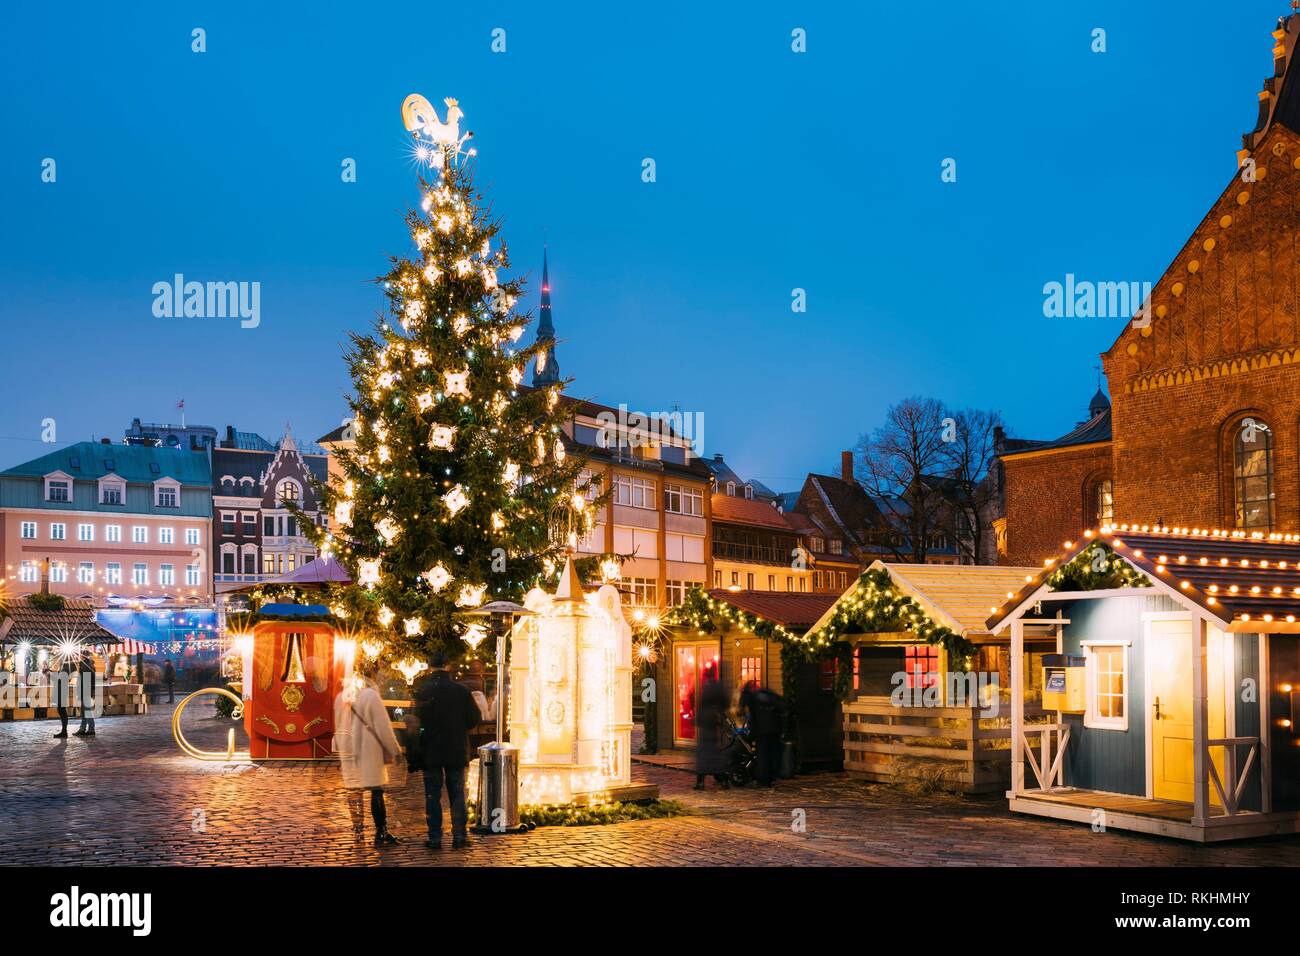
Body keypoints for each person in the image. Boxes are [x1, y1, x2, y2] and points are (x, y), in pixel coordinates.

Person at [406, 651, 482, 850]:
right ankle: (459, 836)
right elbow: (474, 719)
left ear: (430, 667)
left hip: (430, 751)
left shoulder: (423, 691)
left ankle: (435, 838)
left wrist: (414, 754)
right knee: (457, 794)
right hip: (455, 750)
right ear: (448, 666)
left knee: (432, 795)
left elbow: (414, 725)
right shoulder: (461, 691)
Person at [336, 664, 403, 847]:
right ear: (373, 676)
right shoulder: (371, 695)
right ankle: (381, 831)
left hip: (350, 751)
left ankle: (358, 831)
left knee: (355, 792)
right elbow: (383, 726)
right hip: (369, 750)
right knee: (376, 791)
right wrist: (395, 750)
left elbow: (338, 724)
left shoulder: (342, 696)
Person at [740, 684, 787, 787]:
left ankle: (763, 780)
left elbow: (753, 717)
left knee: (763, 755)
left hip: (763, 731)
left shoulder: (754, 699)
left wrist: (751, 732)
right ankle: (772, 777)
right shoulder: (766, 695)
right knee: (773, 754)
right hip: (775, 729)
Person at [693, 674, 730, 790]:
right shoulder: (718, 688)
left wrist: (698, 720)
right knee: (714, 756)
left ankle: (700, 782)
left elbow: (700, 705)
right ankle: (722, 779)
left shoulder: (706, 689)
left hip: (706, 726)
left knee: (704, 755)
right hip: (713, 726)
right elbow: (725, 703)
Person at [73, 650, 97, 737]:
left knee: (86, 710)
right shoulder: (90, 665)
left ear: (83, 656)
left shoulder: (85, 665)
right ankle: (83, 728)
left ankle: (90, 729)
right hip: (88, 690)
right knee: (85, 710)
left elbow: (83, 680)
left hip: (85, 690)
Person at [51, 657, 73, 739]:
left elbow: (60, 680)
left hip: (61, 692)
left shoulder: (65, 668)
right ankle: (64, 731)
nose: (58, 660)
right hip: (60, 691)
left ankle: (64, 731)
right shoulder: (64, 668)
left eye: (60, 659)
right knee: (61, 710)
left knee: (62, 711)